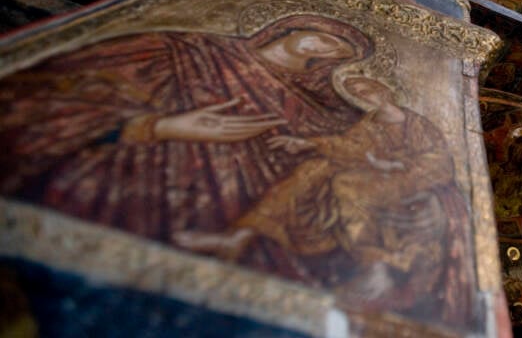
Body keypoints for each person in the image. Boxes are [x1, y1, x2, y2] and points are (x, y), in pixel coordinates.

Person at [0, 14, 372, 242]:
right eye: (326, 36)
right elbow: (70, 90)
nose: (324, 48)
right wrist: (158, 126)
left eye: (336, 54)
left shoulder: (314, 107)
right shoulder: (186, 49)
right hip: (124, 183)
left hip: (217, 213)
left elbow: (340, 151)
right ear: (293, 24)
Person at [172, 75, 474, 323]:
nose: (364, 94)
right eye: (357, 92)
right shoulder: (370, 122)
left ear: (384, 89)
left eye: (366, 88)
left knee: (347, 184)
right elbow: (347, 147)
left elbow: (439, 162)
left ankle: (375, 264)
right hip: (378, 176)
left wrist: (396, 166)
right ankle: (240, 234)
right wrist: (303, 144)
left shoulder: (417, 124)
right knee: (311, 171)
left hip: (412, 181)